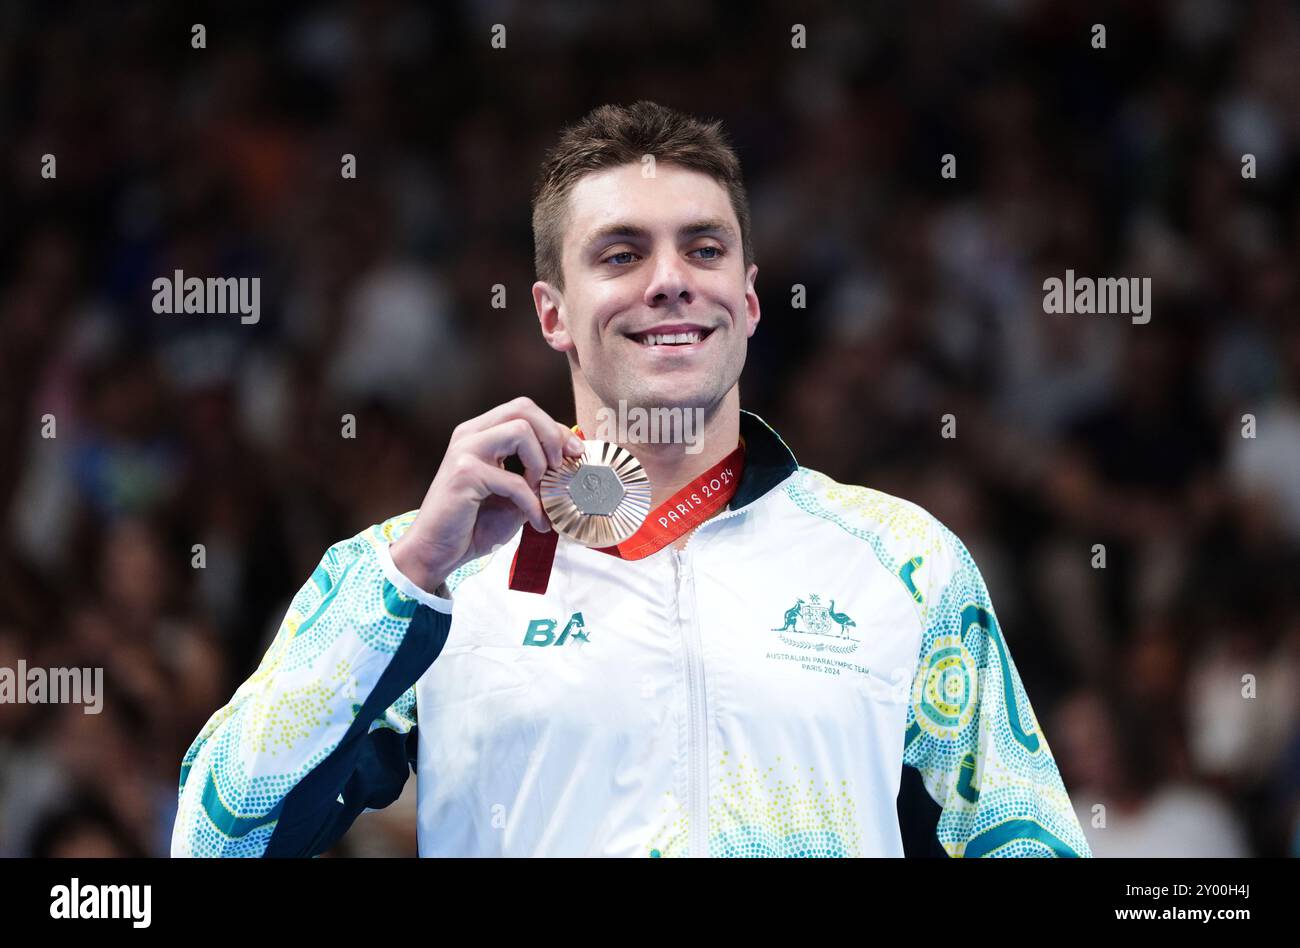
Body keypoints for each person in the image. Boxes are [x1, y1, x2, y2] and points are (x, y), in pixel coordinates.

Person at [171, 101, 1092, 858]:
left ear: (750, 298)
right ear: (552, 314)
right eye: (620, 255)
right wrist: (411, 581)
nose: (670, 282)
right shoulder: (414, 576)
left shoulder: (904, 563)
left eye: (704, 248)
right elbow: (214, 840)